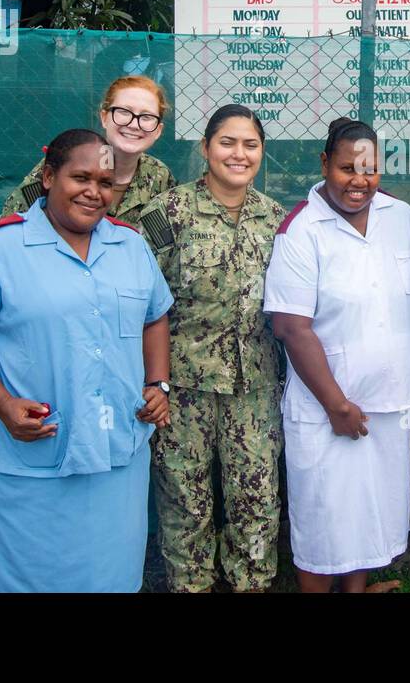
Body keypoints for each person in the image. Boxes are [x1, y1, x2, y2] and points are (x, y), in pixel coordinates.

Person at [0, 129, 173, 592]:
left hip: (118, 452)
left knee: (114, 577)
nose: (93, 192)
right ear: (48, 176)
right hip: (39, 451)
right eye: (80, 177)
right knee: (33, 576)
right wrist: (0, 402)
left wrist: (158, 384)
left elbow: (155, 316)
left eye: (105, 182)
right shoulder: (0, 248)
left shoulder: (130, 245)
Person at [263, 118, 410, 592]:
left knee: (371, 517)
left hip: (390, 406)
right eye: (347, 168)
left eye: (369, 169)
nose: (359, 181)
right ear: (325, 164)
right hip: (326, 411)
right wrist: (336, 405)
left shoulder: (403, 218)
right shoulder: (301, 229)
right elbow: (291, 326)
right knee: (322, 521)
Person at [136, 105, 286, 593]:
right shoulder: (167, 215)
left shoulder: (277, 221)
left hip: (256, 388)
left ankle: (252, 584)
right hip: (183, 388)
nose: (238, 154)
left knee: (256, 499)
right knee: (185, 500)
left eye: (250, 144)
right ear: (205, 148)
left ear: (261, 153)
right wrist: (150, 379)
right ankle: (190, 586)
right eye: (227, 142)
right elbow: (138, 300)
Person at [1, 75, 176, 225]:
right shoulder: (66, 160)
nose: (133, 124)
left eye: (146, 117)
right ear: (104, 117)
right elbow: (11, 222)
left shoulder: (160, 176)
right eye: (124, 111)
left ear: (158, 130)